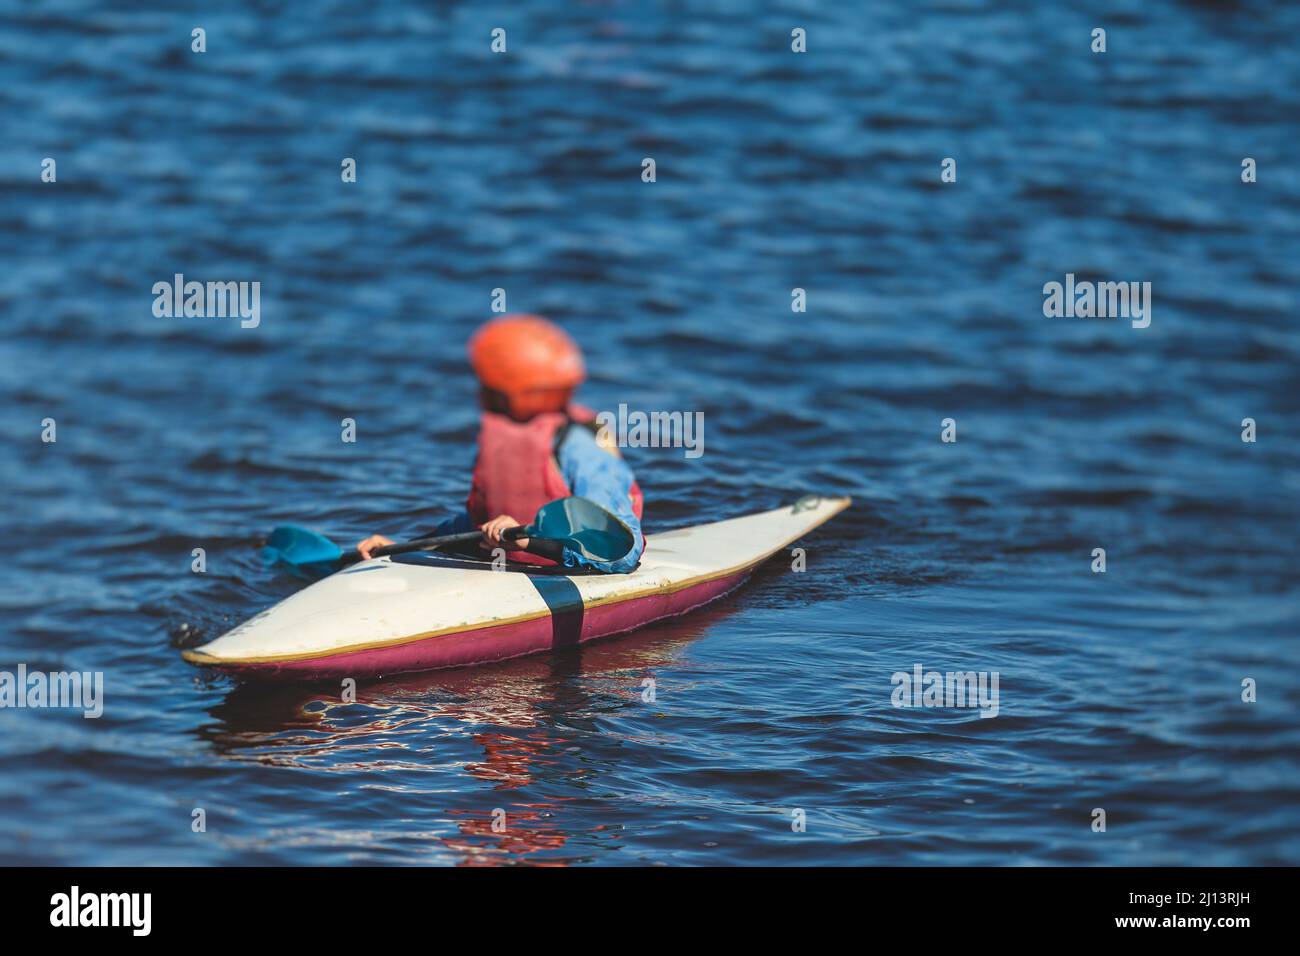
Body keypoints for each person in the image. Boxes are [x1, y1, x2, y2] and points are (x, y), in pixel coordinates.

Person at [356, 315, 645, 572]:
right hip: (520, 558)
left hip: (570, 568)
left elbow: (622, 553)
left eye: (488, 387)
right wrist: (405, 548)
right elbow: (475, 522)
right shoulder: (502, 441)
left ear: (514, 393)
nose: (479, 394)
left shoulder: (581, 449)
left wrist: (528, 543)